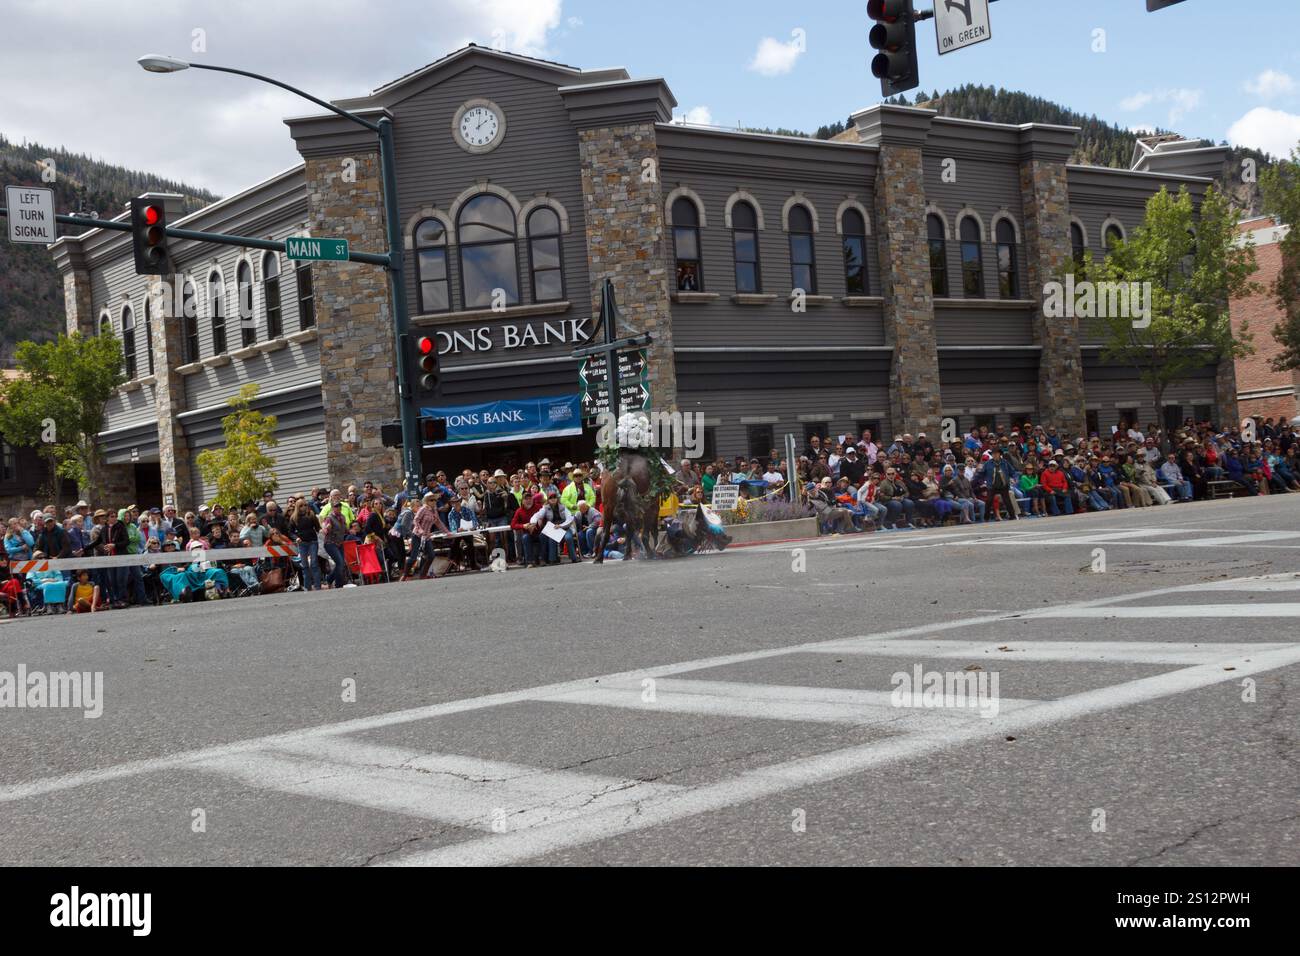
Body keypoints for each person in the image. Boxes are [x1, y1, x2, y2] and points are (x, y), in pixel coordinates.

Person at [531, 491, 580, 565]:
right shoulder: (545, 508)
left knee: (568, 538)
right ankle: (551, 560)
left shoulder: (563, 507)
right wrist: (533, 522)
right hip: (554, 529)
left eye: (554, 497)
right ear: (548, 499)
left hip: (565, 527)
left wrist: (561, 525)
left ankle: (574, 558)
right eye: (550, 497)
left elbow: (570, 518)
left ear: (557, 498)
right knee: (547, 537)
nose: (553, 499)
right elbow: (537, 515)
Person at [290, 499, 322, 591]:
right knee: (304, 566)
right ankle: (307, 587)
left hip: (312, 541)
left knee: (314, 564)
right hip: (302, 543)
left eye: (305, 505)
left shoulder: (311, 515)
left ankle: (317, 586)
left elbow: (317, 527)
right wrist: (296, 538)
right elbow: (291, 532)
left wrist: (321, 530)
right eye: (301, 506)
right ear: (297, 507)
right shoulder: (294, 518)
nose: (303, 507)